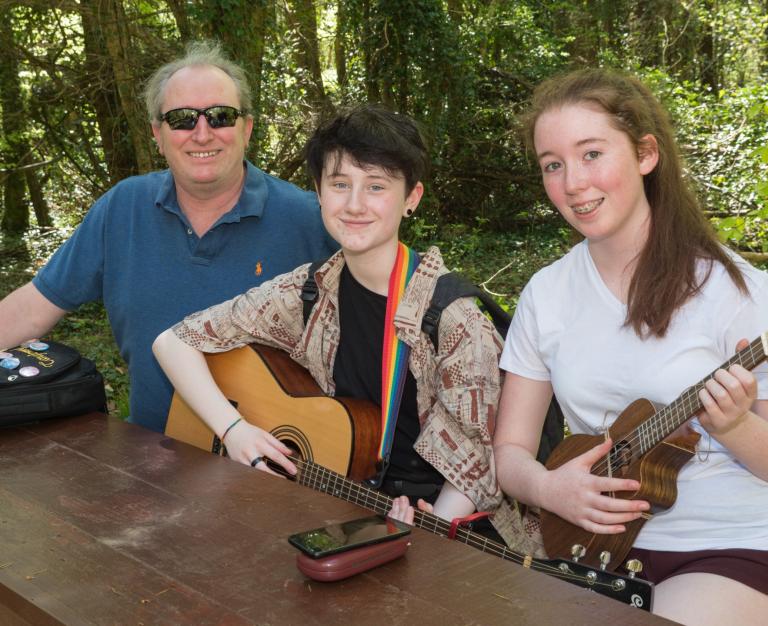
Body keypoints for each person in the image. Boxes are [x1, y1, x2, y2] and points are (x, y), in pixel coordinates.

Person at [493, 69, 768, 625]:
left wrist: (736, 426)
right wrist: (549, 489)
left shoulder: (731, 287)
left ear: (646, 154)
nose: (573, 182)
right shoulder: (546, 294)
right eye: (553, 164)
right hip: (597, 549)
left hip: (731, 549)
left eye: (592, 153)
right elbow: (509, 455)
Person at [153, 104, 536, 553]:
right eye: (339, 184)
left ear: (411, 197)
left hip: (448, 532)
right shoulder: (308, 291)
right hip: (336, 504)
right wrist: (235, 431)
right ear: (318, 192)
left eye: (376, 186)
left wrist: (423, 531)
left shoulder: (453, 319)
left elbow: (477, 467)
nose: (354, 205)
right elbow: (173, 341)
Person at [0, 41, 336, 432]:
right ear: (158, 135)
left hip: (275, 467)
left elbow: (383, 330)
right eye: (182, 119)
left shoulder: (311, 218)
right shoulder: (122, 207)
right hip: (149, 459)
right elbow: (31, 309)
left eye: (221, 116)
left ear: (246, 129)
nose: (202, 132)